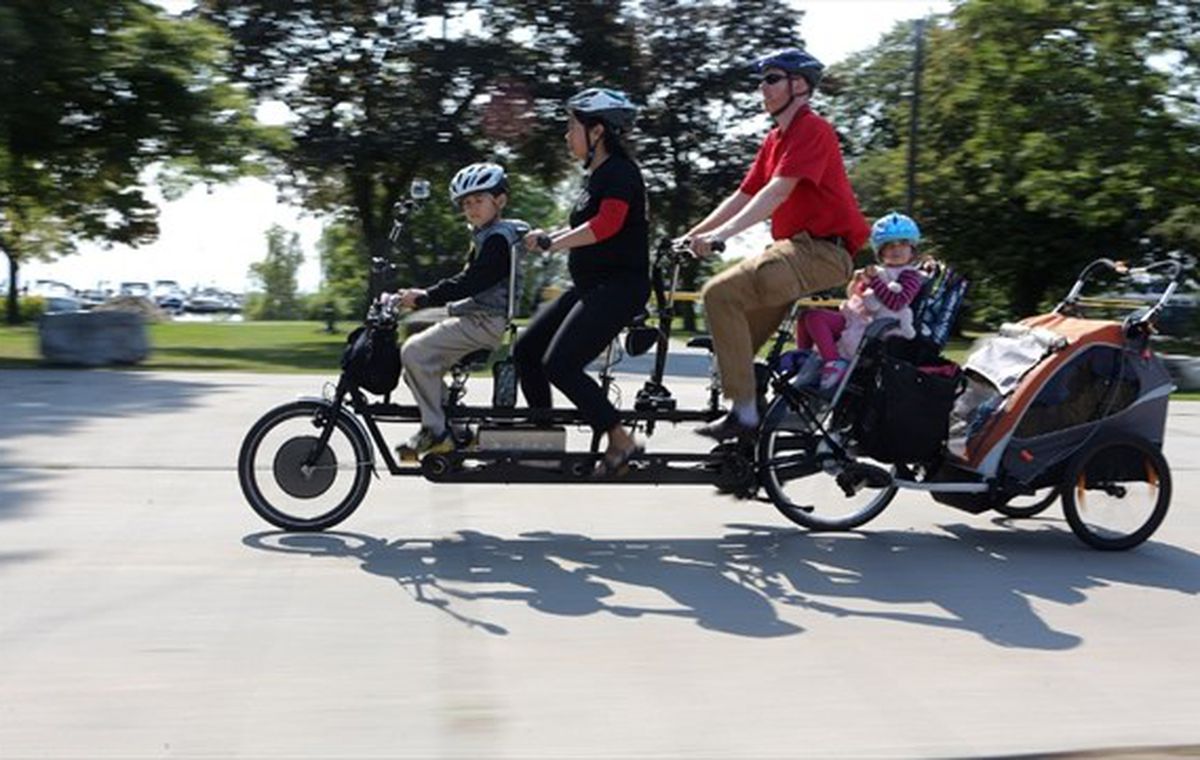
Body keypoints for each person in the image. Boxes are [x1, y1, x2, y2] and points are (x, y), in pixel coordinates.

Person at [682, 48, 870, 440]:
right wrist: (692, 234)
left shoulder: (812, 129)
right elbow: (744, 195)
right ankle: (755, 433)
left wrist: (721, 237)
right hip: (793, 253)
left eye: (771, 78)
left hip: (822, 252)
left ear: (798, 85)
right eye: (761, 80)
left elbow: (776, 192)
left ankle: (746, 415)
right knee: (737, 345)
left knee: (718, 293)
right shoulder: (774, 140)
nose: (762, 88)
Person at [515, 87, 650, 477]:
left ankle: (619, 437)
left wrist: (554, 243)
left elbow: (606, 225)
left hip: (620, 287)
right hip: (592, 287)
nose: (565, 135)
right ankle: (542, 441)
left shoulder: (622, 174)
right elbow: (586, 225)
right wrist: (550, 234)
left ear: (597, 132)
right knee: (526, 350)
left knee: (561, 364)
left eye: (572, 126)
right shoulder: (596, 177)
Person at [382, 162, 526, 459]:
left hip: (484, 321)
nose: (471, 208)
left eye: (479, 201)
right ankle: (458, 430)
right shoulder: (489, 234)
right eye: (466, 203)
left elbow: (471, 282)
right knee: (416, 368)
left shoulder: (498, 238)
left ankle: (436, 433)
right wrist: (419, 301)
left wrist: (424, 296)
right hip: (475, 316)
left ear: (499, 201)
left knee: (413, 352)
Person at [791, 212, 926, 393]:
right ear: (881, 252)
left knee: (814, 317)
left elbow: (897, 302)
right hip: (856, 320)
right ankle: (806, 361)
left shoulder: (911, 276)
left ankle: (833, 364)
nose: (896, 250)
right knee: (808, 316)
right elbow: (855, 297)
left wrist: (875, 281)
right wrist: (857, 283)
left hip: (874, 330)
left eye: (903, 244)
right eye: (889, 246)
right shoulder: (877, 270)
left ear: (912, 249)